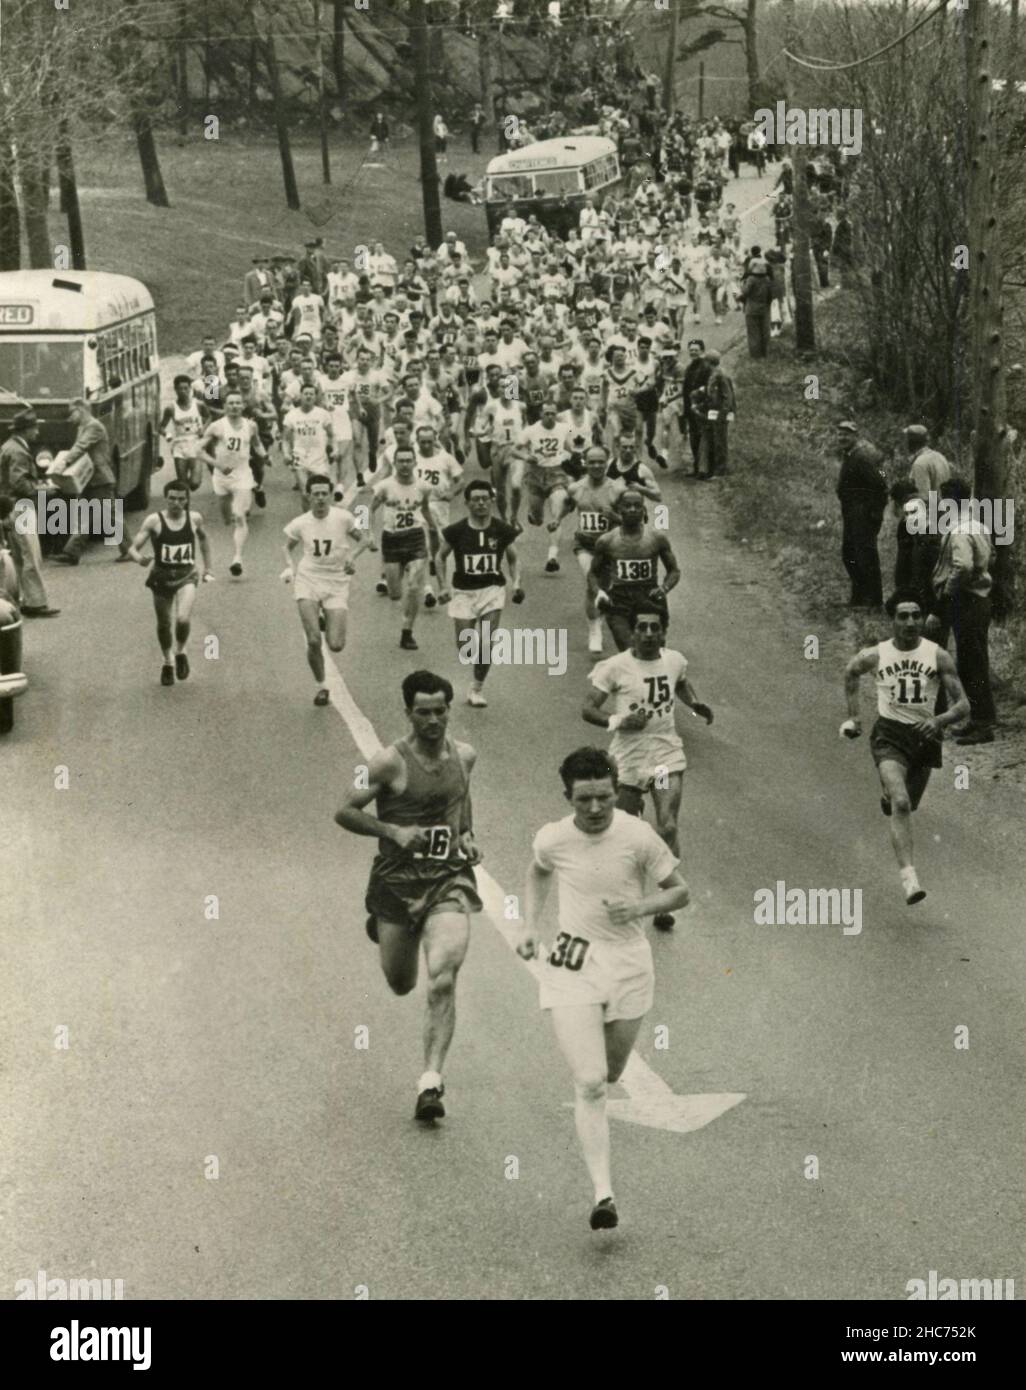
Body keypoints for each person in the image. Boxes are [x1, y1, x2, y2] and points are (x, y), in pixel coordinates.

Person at [516, 745, 690, 1230]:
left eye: (604, 799)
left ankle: (602, 1182)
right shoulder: (553, 838)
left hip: (629, 965)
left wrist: (638, 909)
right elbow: (537, 871)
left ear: (616, 793)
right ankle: (603, 1194)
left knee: (611, 1072)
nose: (594, 810)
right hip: (573, 964)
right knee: (590, 1082)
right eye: (583, 800)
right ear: (567, 796)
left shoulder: (638, 835)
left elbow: (681, 891)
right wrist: (530, 925)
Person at [335, 669, 483, 1123]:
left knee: (443, 976)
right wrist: (392, 830)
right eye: (424, 712)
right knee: (402, 984)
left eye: (440, 710)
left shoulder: (465, 755)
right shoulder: (386, 762)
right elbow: (343, 810)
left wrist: (468, 835)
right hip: (397, 882)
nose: (434, 720)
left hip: (447, 879)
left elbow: (461, 800)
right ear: (408, 713)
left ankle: (430, 1082)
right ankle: (386, 926)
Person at [583, 605, 712, 929]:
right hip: (628, 761)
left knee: (667, 825)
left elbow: (680, 682)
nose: (650, 634)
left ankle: (665, 901)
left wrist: (694, 704)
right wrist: (619, 720)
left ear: (663, 632)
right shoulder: (615, 667)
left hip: (663, 759)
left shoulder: (673, 660)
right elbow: (587, 708)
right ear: (633, 632)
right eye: (643, 627)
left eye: (656, 628)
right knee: (621, 830)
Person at [842, 590, 969, 905]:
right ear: (893, 620)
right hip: (890, 736)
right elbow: (851, 671)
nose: (911, 622)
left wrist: (939, 721)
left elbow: (964, 705)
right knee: (900, 803)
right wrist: (855, 718)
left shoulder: (937, 655)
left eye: (916, 615)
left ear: (923, 618)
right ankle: (910, 881)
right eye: (903, 616)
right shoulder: (877, 654)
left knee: (908, 805)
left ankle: (891, 796)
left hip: (926, 737)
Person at [282, 474, 370, 706]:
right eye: (316, 494)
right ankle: (321, 686)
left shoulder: (344, 518)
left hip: (336, 582)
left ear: (330, 495)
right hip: (308, 579)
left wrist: (352, 556)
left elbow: (364, 539)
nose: (320, 498)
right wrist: (289, 567)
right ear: (308, 496)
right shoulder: (300, 523)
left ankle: (324, 615)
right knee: (313, 640)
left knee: (336, 645)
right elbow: (287, 547)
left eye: (324, 494)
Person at [436, 479, 523, 707]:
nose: (481, 503)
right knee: (466, 648)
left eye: (485, 499)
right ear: (467, 503)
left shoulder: (501, 530)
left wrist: (516, 583)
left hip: (492, 590)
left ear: (491, 501)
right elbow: (439, 557)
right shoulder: (456, 531)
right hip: (463, 592)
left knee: (486, 643)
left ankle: (476, 688)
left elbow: (513, 558)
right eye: (476, 499)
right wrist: (442, 586)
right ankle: (475, 664)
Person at [925, 477, 996, 745]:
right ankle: (978, 718)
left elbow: (963, 566)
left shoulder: (959, 530)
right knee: (971, 660)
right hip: (977, 600)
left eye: (943, 499)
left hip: (967, 600)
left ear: (952, 501)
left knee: (972, 662)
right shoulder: (977, 525)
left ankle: (982, 723)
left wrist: (947, 593)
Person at [124, 479, 214, 686]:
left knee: (182, 619)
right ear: (166, 498)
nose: (176, 503)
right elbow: (132, 547)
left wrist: (208, 568)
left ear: (187, 500)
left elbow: (203, 540)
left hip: (186, 575)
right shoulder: (153, 521)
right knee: (164, 624)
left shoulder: (194, 519)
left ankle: (181, 651)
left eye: (181, 499)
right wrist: (139, 560)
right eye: (172, 498)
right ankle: (167, 661)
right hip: (161, 577)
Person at [588, 489, 680, 652]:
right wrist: (599, 592)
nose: (632, 510)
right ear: (619, 510)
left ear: (643, 510)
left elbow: (674, 571)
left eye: (637, 506)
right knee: (628, 649)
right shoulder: (607, 541)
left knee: (653, 651)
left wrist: (664, 589)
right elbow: (593, 573)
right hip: (620, 600)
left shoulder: (657, 538)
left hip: (650, 597)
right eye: (627, 506)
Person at [368, 445, 438, 650]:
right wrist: (368, 533)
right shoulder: (385, 486)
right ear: (395, 463)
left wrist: (434, 529)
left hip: (415, 537)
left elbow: (424, 509)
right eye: (401, 461)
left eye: (409, 460)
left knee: (415, 586)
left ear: (415, 463)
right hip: (392, 539)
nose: (405, 465)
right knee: (395, 594)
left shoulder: (423, 486)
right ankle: (403, 607)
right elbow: (367, 509)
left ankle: (407, 632)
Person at [197, 389, 269, 577]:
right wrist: (217, 464)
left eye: (238, 403)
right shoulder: (216, 427)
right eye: (231, 403)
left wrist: (264, 455)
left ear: (243, 406)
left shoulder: (251, 426)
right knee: (227, 518)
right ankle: (233, 524)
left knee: (239, 516)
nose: (235, 406)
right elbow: (198, 450)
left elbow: (256, 444)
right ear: (225, 407)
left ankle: (237, 558)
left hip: (242, 475)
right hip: (221, 478)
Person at [50, 400, 131, 565]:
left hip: (100, 479)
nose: (70, 419)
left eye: (71, 413)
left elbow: (81, 446)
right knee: (85, 517)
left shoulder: (94, 426)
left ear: (81, 410)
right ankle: (72, 553)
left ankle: (129, 550)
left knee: (111, 516)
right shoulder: (83, 427)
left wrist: (64, 463)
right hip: (89, 479)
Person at [563, 445, 625, 654]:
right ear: (585, 463)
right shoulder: (576, 488)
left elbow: (637, 519)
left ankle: (602, 618)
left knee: (606, 586)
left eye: (600, 462)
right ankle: (594, 630)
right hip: (585, 545)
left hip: (610, 546)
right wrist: (556, 520)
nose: (596, 466)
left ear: (607, 463)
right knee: (592, 583)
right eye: (592, 462)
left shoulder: (618, 489)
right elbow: (568, 505)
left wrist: (615, 518)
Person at [0, 410, 60, 616]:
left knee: (19, 556)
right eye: (34, 427)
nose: (37, 431)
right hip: (21, 506)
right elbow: (19, 483)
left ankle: (25, 598)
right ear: (25, 430)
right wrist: (43, 489)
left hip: (9, 506)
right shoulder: (19, 451)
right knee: (31, 555)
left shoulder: (8, 447)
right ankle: (36, 603)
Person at [835, 420, 888, 609]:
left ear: (855, 436)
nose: (842, 437)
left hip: (863, 514)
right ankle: (858, 597)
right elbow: (882, 472)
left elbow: (881, 483)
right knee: (850, 554)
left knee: (865, 556)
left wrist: (875, 512)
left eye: (846, 434)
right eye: (840, 434)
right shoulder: (851, 454)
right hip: (852, 512)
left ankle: (873, 601)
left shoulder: (862, 457)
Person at [160, 375, 210, 492]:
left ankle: (176, 486)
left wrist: (204, 428)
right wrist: (167, 435)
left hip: (196, 443)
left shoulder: (198, 404)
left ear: (190, 389)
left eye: (186, 388)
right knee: (183, 486)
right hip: (179, 445)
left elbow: (209, 417)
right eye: (180, 389)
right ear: (175, 390)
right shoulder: (171, 408)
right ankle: (183, 503)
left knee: (194, 483)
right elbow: (161, 427)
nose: (183, 391)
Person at [903, 425, 952, 500]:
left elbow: (924, 497)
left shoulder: (919, 463)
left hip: (933, 510)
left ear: (910, 443)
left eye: (906, 440)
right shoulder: (940, 456)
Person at [740, 258, 773, 359]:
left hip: (752, 308)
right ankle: (765, 353)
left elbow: (745, 292)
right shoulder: (767, 279)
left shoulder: (751, 279)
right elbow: (770, 296)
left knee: (753, 333)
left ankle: (755, 355)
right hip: (764, 308)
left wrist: (742, 285)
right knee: (765, 332)